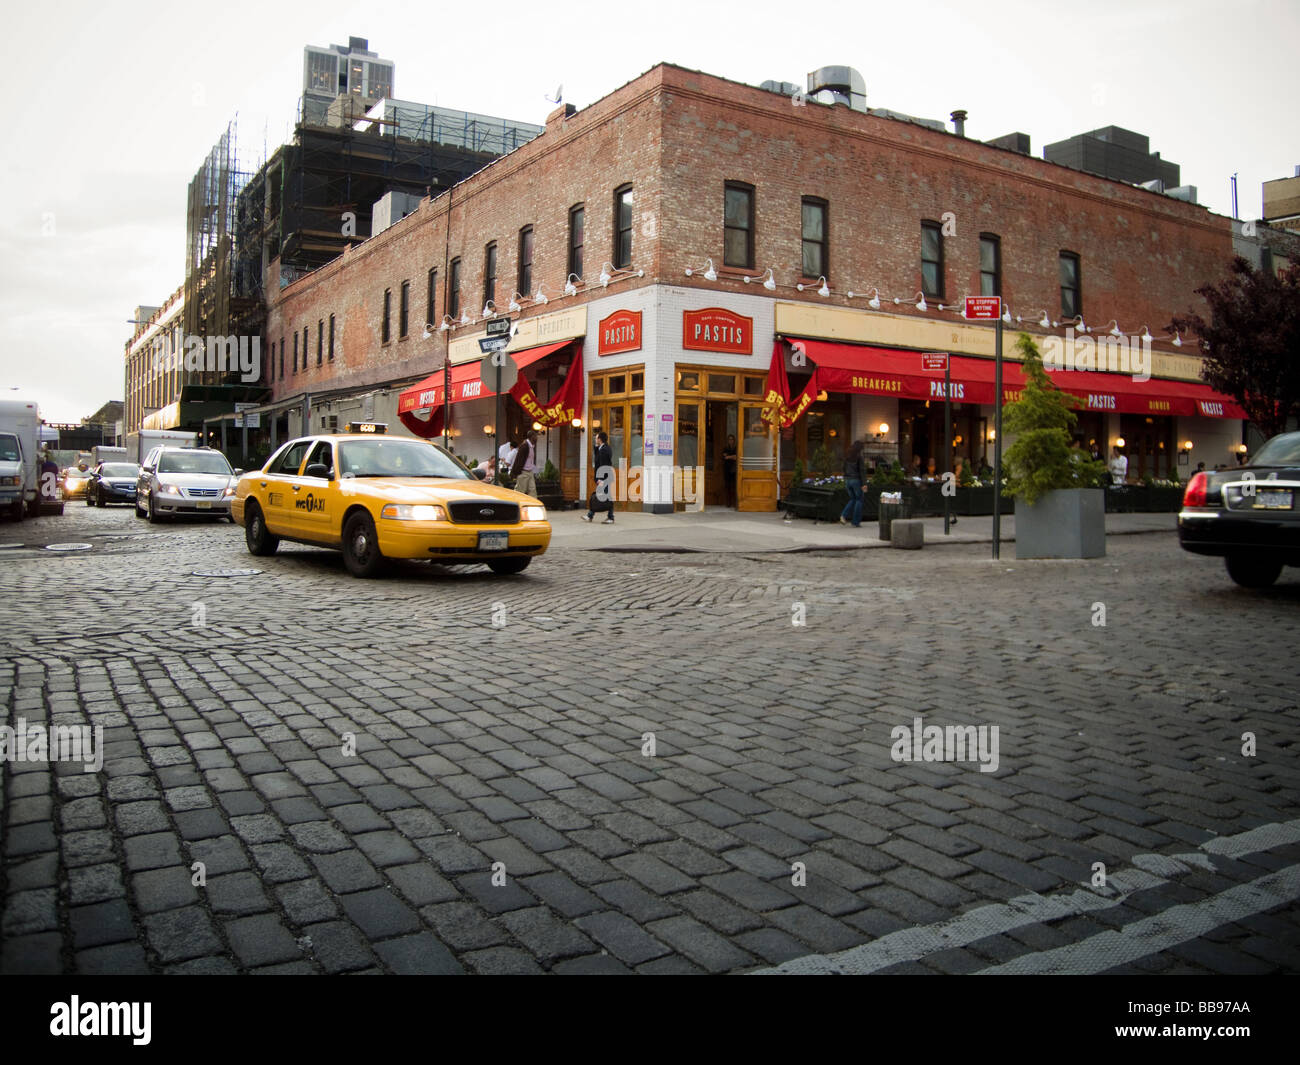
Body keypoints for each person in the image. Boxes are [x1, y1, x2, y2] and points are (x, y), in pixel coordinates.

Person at [583, 431, 615, 524]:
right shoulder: (603, 448)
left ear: (600, 439)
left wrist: (600, 479)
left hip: (604, 477)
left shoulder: (604, 450)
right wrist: (596, 447)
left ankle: (609, 517)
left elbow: (603, 465)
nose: (595, 439)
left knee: (604, 497)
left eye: (596, 438)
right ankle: (591, 515)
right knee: (602, 496)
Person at [839, 440, 867, 527]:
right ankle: (855, 522)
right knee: (859, 500)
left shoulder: (847, 456)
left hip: (848, 480)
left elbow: (843, 468)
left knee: (853, 499)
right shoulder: (859, 457)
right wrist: (864, 483)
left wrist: (845, 477)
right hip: (856, 480)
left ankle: (843, 515)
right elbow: (862, 471)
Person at [512, 430, 539, 497]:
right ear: (531, 437)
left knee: (532, 490)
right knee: (520, 491)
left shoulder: (532, 447)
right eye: (535, 436)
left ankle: (533, 506)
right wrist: (516, 472)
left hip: (530, 472)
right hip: (523, 472)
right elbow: (518, 460)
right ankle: (516, 504)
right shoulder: (524, 446)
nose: (537, 438)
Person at [722, 434, 738, 508]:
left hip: (734, 469)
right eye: (729, 439)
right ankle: (728, 503)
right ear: (727, 441)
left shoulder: (736, 448)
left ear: (734, 440)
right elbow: (725, 457)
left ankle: (735, 503)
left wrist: (729, 457)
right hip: (727, 469)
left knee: (734, 486)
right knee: (727, 486)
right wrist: (732, 456)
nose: (730, 441)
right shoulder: (725, 448)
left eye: (732, 439)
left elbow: (737, 457)